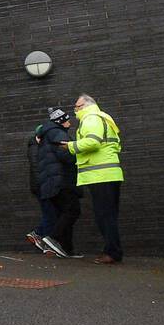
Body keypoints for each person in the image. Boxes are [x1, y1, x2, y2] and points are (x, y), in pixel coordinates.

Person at [62, 94, 123, 264]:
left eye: (77, 107)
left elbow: (93, 142)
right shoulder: (104, 118)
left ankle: (112, 252)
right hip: (109, 173)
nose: (75, 111)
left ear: (86, 106)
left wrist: (70, 146)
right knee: (109, 215)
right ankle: (112, 250)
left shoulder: (91, 119)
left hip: (100, 175)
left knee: (105, 216)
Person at [28, 108, 80, 257]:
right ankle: (51, 239)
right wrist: (80, 157)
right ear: (61, 121)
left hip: (51, 182)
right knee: (72, 211)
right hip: (61, 180)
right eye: (67, 120)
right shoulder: (58, 133)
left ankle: (64, 249)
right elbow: (66, 155)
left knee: (62, 214)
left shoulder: (46, 136)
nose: (70, 122)